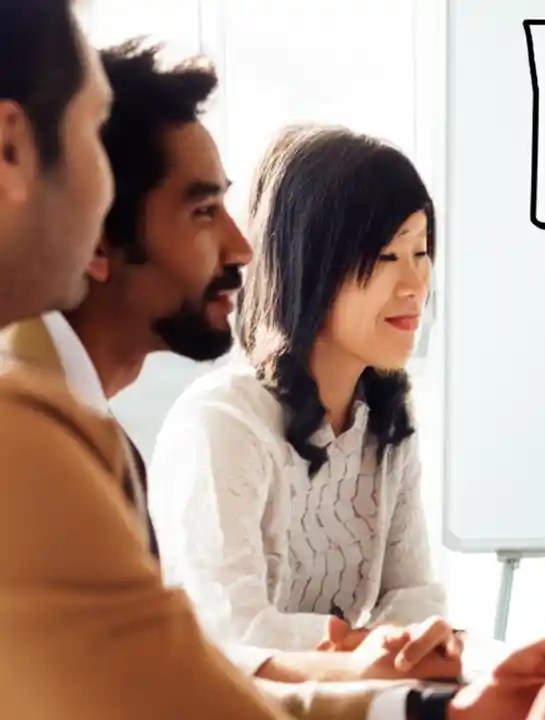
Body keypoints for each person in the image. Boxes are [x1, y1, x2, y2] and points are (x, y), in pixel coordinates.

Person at [0, 6, 545, 717]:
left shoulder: (77, 424)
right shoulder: (35, 436)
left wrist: (450, 708)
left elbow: (183, 685)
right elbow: (197, 680)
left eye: (421, 251)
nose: (242, 248)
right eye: (201, 209)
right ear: (13, 154)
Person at [147, 121, 450, 655]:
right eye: (387, 257)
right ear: (311, 264)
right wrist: (371, 648)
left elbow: (415, 599)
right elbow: (231, 636)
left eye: (421, 252)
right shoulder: (223, 422)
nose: (415, 284)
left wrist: (394, 646)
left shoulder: (387, 412)